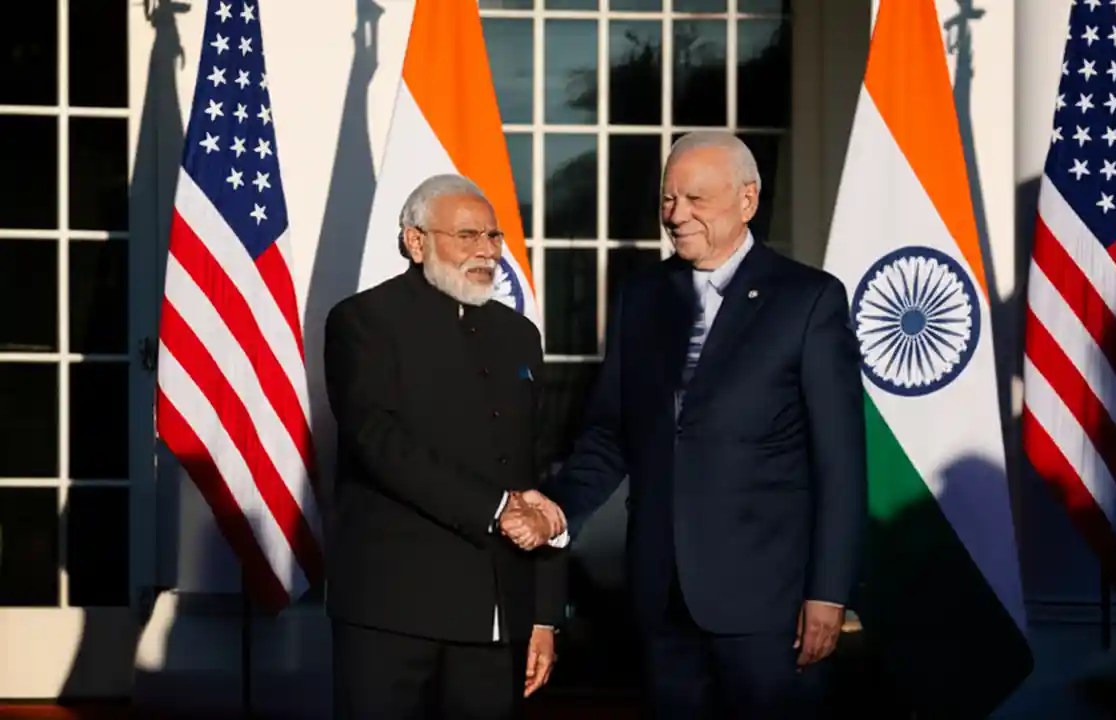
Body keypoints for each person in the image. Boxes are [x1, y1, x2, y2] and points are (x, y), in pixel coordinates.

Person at [508, 131, 867, 719]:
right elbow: (610, 434)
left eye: (696, 199)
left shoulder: (808, 301)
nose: (676, 215)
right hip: (661, 600)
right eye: (669, 199)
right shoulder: (641, 296)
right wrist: (557, 508)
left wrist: (829, 591)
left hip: (769, 607)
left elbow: (840, 462)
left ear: (747, 200)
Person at [323, 174, 567, 720]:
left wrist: (545, 614)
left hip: (495, 618)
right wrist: (496, 508)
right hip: (390, 614)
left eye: (494, 236)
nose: (487, 250)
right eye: (467, 236)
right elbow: (378, 441)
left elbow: (537, 472)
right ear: (416, 242)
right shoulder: (362, 322)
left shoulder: (518, 335)